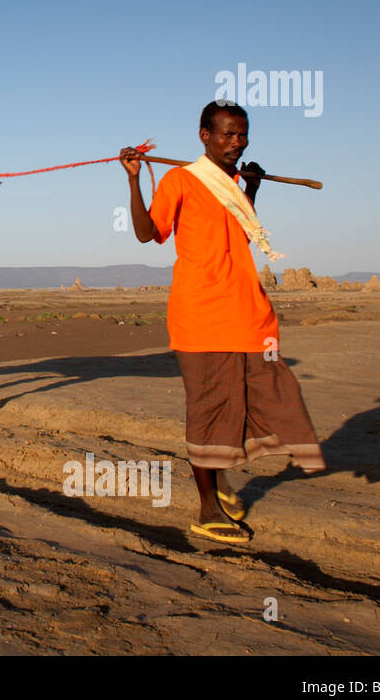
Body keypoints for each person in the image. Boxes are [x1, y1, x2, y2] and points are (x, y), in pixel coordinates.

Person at [120, 101, 325, 544]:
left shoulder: (233, 183)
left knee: (253, 395)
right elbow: (146, 232)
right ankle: (207, 507)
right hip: (201, 313)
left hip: (244, 309)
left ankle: (219, 482)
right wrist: (134, 180)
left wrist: (251, 189)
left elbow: (242, 231)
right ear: (204, 136)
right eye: (228, 135)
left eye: (242, 135)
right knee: (209, 406)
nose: (237, 143)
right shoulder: (181, 180)